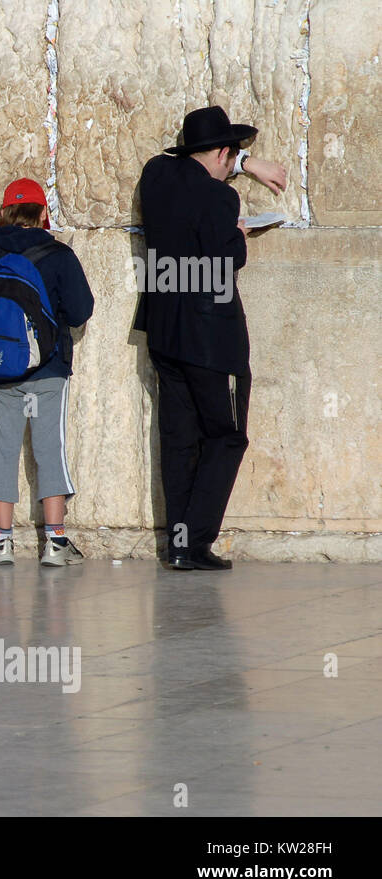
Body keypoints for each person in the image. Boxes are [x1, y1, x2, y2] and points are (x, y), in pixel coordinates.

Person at [135, 105, 287, 570]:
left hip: (164, 332)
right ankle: (193, 543)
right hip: (210, 340)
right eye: (233, 155)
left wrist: (242, 163)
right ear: (222, 153)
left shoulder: (156, 176)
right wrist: (238, 234)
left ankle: (177, 543)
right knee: (225, 436)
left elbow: (192, 166)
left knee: (179, 439)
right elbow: (226, 262)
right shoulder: (222, 201)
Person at [0, 179, 96, 567]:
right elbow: (80, 310)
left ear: (4, 214)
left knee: (0, 449)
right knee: (48, 448)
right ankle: (55, 543)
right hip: (48, 370)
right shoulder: (59, 255)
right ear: (43, 214)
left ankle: (1, 543)